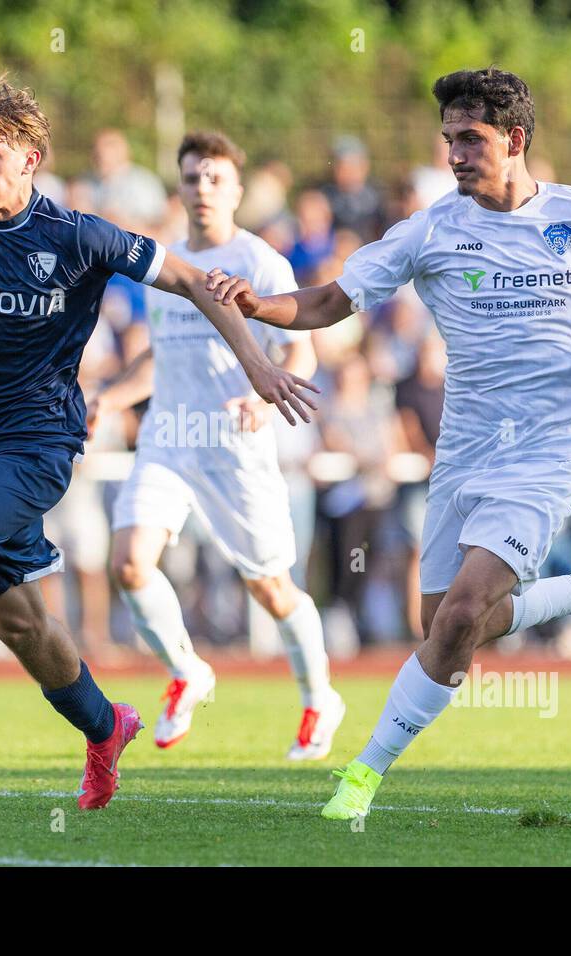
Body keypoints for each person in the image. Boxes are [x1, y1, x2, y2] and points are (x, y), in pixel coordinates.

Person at [206, 67, 571, 819]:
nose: (455, 155)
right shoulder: (431, 229)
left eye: (471, 140)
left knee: (464, 612)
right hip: (466, 448)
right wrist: (258, 304)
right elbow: (332, 300)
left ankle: (361, 778)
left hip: (553, 446)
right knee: (442, 626)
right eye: (448, 141)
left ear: (516, 140)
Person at [0, 73, 317, 808]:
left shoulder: (78, 237)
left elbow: (191, 280)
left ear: (30, 160)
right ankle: (105, 725)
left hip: (36, 446)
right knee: (24, 625)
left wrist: (257, 365)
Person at [90, 131, 344, 758]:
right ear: (178, 187)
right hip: (169, 440)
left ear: (234, 187)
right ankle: (187, 671)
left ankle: (319, 698)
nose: (201, 189)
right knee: (128, 562)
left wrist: (260, 399)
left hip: (234, 447)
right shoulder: (166, 264)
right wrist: (110, 399)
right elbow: (159, 354)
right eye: (191, 178)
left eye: (213, 178)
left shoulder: (259, 263)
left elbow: (299, 346)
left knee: (272, 589)